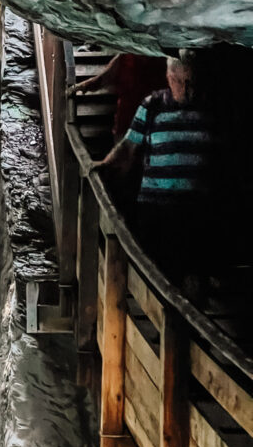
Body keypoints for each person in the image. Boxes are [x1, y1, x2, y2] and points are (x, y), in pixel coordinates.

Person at [93, 53, 221, 288]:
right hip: (157, 207)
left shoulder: (210, 105)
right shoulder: (152, 105)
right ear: (169, 77)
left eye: (190, 82)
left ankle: (187, 317)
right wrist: (102, 165)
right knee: (161, 271)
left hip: (196, 207)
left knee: (193, 273)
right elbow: (128, 145)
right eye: (181, 82)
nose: (186, 89)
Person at [69, 52, 167, 141]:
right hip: (128, 123)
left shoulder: (162, 62)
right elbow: (102, 79)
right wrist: (80, 86)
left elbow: (102, 79)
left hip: (153, 125)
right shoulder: (125, 58)